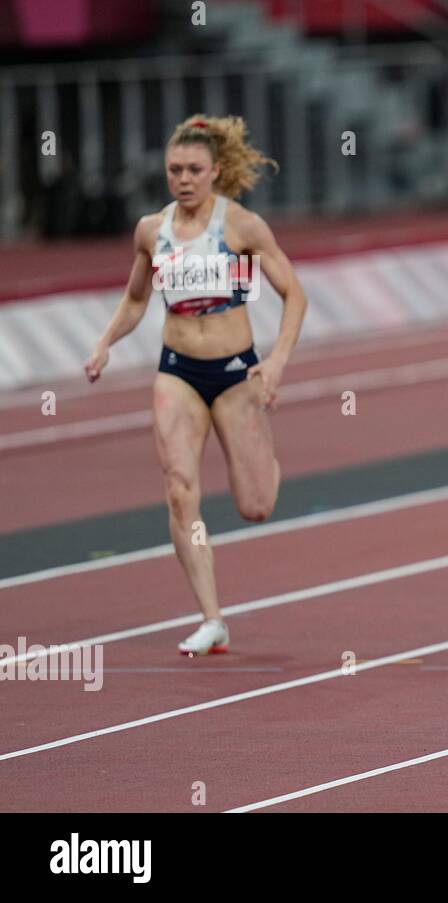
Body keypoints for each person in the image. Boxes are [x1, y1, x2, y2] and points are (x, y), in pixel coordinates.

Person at [84, 114, 308, 655]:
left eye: (194, 170)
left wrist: (276, 361)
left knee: (256, 505)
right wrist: (105, 341)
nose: (183, 179)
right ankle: (212, 618)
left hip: (235, 374)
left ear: (215, 172)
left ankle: (264, 461)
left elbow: (295, 295)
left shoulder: (241, 227)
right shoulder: (151, 231)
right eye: (174, 170)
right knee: (180, 489)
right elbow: (138, 299)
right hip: (177, 373)